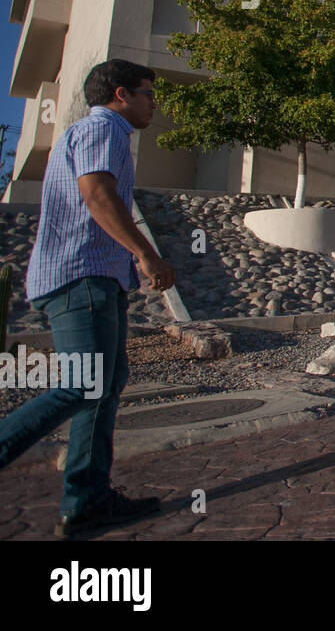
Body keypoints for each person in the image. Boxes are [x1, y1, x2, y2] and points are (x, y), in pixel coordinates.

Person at [0, 59, 176, 537]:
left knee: (102, 385)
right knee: (84, 384)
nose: (151, 103)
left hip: (91, 277)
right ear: (120, 94)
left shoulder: (94, 132)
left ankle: (87, 501)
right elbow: (97, 195)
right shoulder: (105, 128)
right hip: (82, 276)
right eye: (145, 94)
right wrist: (145, 253)